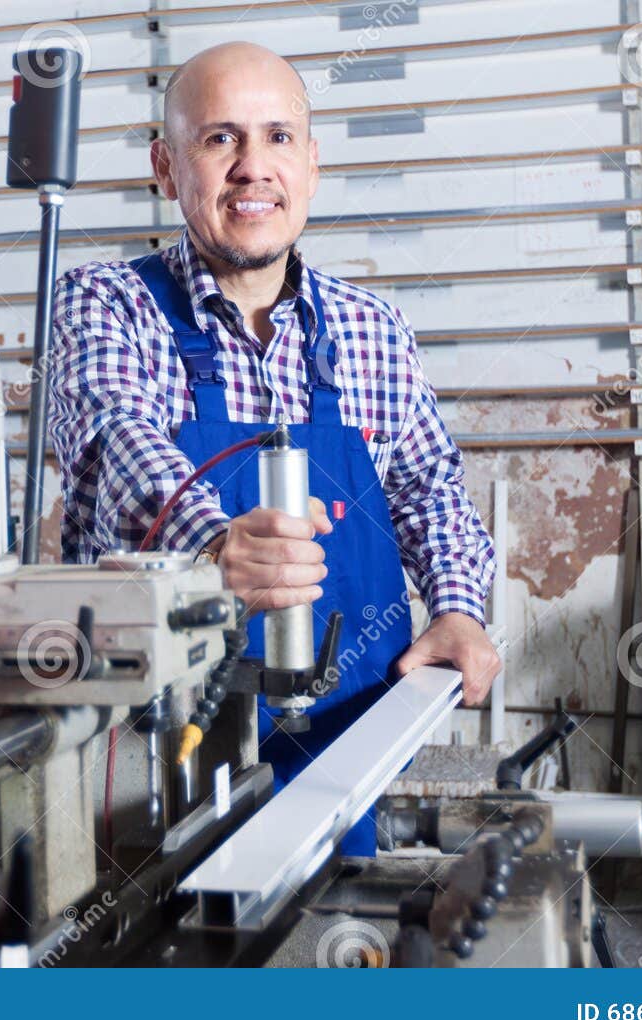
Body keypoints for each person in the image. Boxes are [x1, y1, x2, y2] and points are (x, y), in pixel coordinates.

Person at [46, 42, 500, 854]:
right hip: (149, 760)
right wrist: (214, 547)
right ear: (165, 164)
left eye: (278, 138)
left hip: (343, 751)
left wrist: (460, 611)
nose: (253, 167)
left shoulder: (373, 330)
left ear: (312, 164)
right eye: (220, 139)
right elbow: (118, 435)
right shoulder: (105, 304)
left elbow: (432, 492)